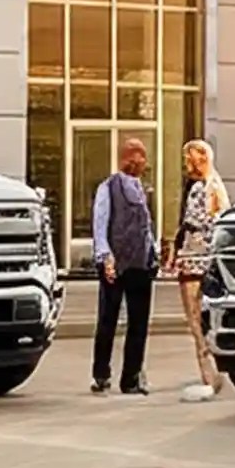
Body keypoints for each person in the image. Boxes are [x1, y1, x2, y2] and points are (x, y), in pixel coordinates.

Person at [89, 138, 158, 396]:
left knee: (139, 323)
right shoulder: (108, 187)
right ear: (124, 158)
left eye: (142, 156)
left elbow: (146, 226)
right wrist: (105, 256)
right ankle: (101, 373)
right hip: (115, 263)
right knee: (108, 319)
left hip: (141, 264)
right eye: (135, 156)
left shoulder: (142, 189)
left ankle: (131, 378)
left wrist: (154, 253)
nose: (139, 161)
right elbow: (100, 223)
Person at [171, 139, 230, 402]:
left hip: (194, 259)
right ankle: (212, 371)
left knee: (195, 320)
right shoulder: (215, 186)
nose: (186, 165)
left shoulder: (200, 188)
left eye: (189, 158)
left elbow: (195, 223)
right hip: (206, 259)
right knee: (204, 318)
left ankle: (209, 373)